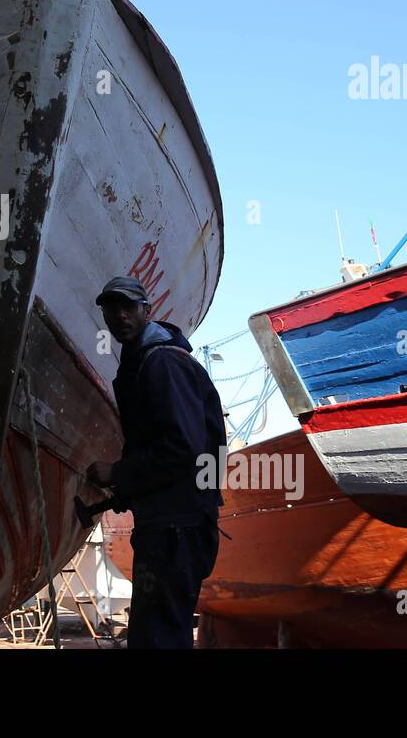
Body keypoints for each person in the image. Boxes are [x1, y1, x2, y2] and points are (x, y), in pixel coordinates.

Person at [85, 275, 227, 649]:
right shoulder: (144, 363)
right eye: (111, 310)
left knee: (158, 636)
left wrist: (119, 473)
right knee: (158, 633)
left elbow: (184, 449)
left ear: (147, 311)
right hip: (176, 521)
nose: (119, 316)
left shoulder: (161, 363)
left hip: (176, 527)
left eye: (128, 307)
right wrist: (129, 492)